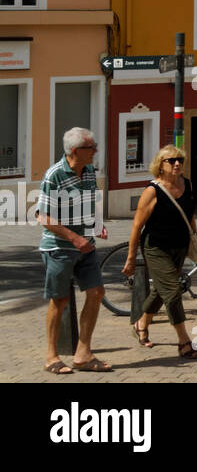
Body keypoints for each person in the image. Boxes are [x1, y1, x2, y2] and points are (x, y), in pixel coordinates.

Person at [37, 127, 111, 374]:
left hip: (86, 246)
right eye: (92, 147)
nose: (96, 151)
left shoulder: (89, 170)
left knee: (96, 292)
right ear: (77, 151)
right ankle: (51, 357)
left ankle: (83, 354)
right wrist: (75, 239)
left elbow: (91, 201)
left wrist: (96, 225)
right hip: (59, 248)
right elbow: (43, 217)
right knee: (60, 300)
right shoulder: (54, 175)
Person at [123, 145, 197, 360]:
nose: (177, 164)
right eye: (171, 160)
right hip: (156, 248)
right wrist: (131, 258)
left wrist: (195, 235)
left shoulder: (188, 184)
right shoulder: (152, 191)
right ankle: (184, 342)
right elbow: (136, 226)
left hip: (180, 245)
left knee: (161, 290)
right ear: (161, 165)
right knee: (174, 292)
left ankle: (141, 323)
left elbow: (190, 212)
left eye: (180, 160)